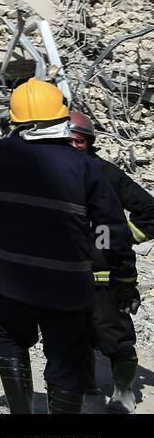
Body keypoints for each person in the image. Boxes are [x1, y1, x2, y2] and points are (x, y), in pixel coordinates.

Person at [0, 79, 136, 414]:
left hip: (8, 279)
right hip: (67, 287)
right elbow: (110, 230)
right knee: (67, 357)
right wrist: (123, 278)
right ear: (62, 118)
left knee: (10, 341)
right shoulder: (84, 166)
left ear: (15, 120)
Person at [68, 111, 152, 413]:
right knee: (73, 337)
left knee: (115, 335)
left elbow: (149, 213)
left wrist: (120, 238)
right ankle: (88, 391)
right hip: (64, 275)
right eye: (67, 141)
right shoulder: (47, 174)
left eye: (79, 141)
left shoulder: (105, 172)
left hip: (104, 273)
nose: (72, 146)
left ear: (89, 143)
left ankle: (123, 392)